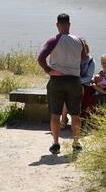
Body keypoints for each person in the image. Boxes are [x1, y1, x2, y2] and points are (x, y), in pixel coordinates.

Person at [37, 12, 88, 155]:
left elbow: (41, 58)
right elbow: (84, 58)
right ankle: (76, 142)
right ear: (69, 25)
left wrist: (49, 70)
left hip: (57, 80)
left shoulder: (53, 40)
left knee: (55, 114)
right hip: (74, 80)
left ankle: (55, 144)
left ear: (57, 25)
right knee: (76, 114)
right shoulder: (79, 40)